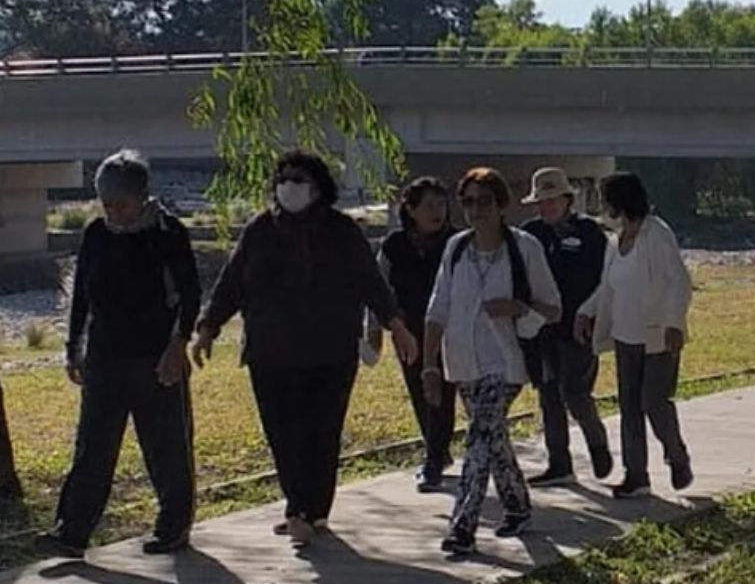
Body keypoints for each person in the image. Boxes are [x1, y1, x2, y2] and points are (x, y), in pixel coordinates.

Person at [192, 150, 418, 548]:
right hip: (271, 353)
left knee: (322, 432)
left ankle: (312, 511)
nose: (289, 186)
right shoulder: (260, 230)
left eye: (299, 179)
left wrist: (396, 325)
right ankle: (297, 509)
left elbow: (371, 283)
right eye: (284, 179)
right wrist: (208, 327)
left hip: (329, 353)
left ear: (317, 187)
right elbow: (232, 283)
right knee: (283, 433)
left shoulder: (341, 231)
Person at [36, 149, 200, 559]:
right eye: (106, 204)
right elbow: (83, 298)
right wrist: (74, 347)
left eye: (121, 205)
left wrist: (177, 346)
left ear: (141, 198)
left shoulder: (167, 233)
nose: (113, 213)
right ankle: (71, 531)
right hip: (105, 356)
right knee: (93, 446)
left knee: (166, 447)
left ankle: (173, 527)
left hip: (157, 356)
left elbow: (190, 295)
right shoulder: (96, 234)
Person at [424, 167, 561, 556]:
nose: (475, 210)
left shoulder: (524, 249)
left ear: (502, 206)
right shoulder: (456, 250)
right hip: (464, 363)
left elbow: (553, 308)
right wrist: (430, 366)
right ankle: (517, 505)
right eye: (467, 202)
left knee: (479, 437)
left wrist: (517, 307)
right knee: (492, 437)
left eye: (484, 201)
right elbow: (438, 310)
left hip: (507, 363)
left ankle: (463, 526)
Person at [576, 172, 693, 499]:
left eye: (606, 199)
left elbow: (678, 281)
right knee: (629, 407)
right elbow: (607, 287)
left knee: (653, 402)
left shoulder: (656, 234)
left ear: (620, 200)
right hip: (626, 336)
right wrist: (586, 311)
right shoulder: (615, 242)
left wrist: (674, 322)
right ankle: (636, 475)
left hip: (658, 336)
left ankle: (677, 455)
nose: (603, 206)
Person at [520, 167, 613, 487]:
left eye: (551, 200)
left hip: (579, 327)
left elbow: (604, 280)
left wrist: (591, 315)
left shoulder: (590, 232)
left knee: (576, 393)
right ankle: (559, 462)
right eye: (540, 202)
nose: (546, 207)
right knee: (548, 396)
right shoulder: (530, 234)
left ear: (566, 199)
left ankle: (597, 443)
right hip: (542, 329)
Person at [365, 177, 458, 493]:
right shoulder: (394, 245)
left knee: (442, 394)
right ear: (411, 210)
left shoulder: (458, 242)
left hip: (449, 329)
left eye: (442, 204)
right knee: (420, 392)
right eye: (429, 205)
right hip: (408, 331)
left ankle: (433, 461)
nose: (438, 212)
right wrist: (377, 330)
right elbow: (378, 289)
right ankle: (437, 452)